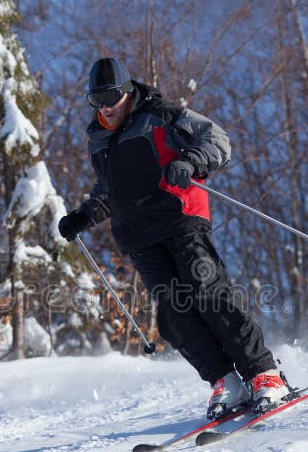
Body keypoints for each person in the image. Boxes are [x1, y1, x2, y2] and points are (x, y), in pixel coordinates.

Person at [58, 57, 289, 420]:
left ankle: (264, 374)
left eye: (111, 96)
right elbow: (109, 188)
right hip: (138, 237)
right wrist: (85, 215)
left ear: (127, 91)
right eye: (96, 100)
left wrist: (191, 161)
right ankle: (226, 382)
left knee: (207, 292)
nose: (105, 106)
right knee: (174, 314)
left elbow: (216, 138)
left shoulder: (163, 115)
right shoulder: (97, 139)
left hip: (180, 218)